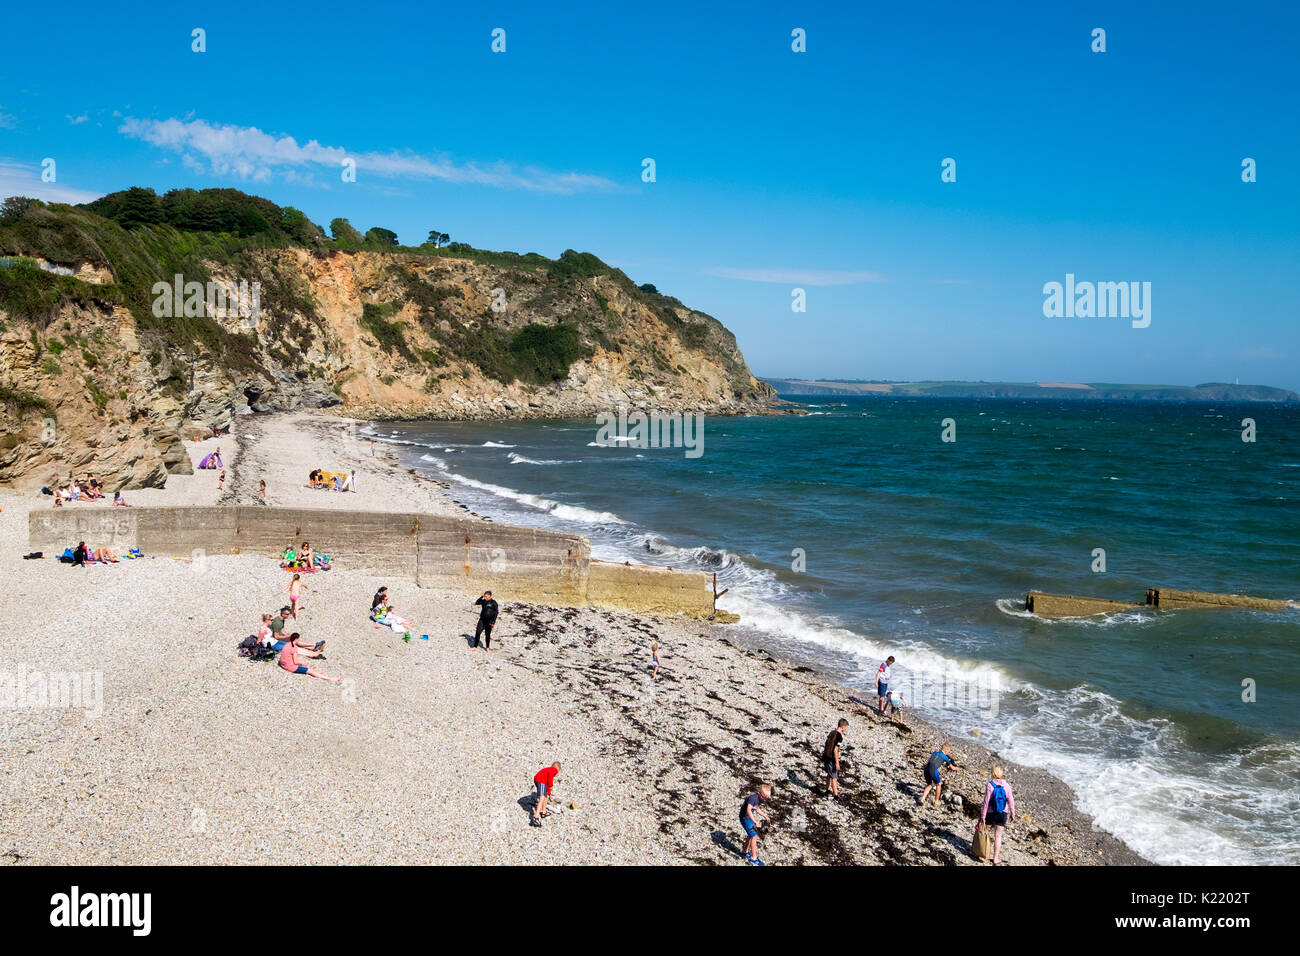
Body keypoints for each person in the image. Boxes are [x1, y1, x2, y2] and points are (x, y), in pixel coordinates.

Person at [979, 766, 1016, 865]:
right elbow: (1011, 800)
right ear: (1001, 773)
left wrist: (983, 816)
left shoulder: (989, 785)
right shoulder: (1006, 785)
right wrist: (1013, 813)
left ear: (993, 773)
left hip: (990, 813)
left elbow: (986, 802)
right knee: (998, 836)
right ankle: (995, 858)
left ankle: (983, 855)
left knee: (985, 832)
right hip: (1002, 813)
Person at [739, 784, 773, 865]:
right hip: (745, 818)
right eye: (764, 797)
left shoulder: (759, 799)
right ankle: (754, 858)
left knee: (750, 835)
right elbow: (748, 810)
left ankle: (744, 851)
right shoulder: (752, 798)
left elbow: (757, 809)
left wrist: (765, 815)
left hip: (749, 818)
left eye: (765, 798)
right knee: (754, 836)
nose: (764, 799)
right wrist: (755, 821)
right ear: (759, 792)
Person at [823, 719, 848, 799]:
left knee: (829, 774)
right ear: (843, 727)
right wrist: (837, 762)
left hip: (826, 756)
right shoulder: (839, 736)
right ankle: (836, 795)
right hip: (832, 758)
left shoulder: (832, 732)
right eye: (846, 727)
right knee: (834, 777)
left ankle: (827, 791)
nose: (846, 729)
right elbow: (835, 750)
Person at [531, 762, 560, 827]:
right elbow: (550, 779)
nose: (556, 773)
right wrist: (551, 785)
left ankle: (544, 812)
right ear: (557, 767)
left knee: (545, 795)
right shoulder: (553, 769)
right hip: (540, 780)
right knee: (542, 798)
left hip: (540, 780)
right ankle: (535, 816)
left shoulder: (547, 770)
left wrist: (549, 794)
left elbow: (547, 786)